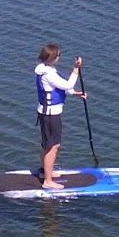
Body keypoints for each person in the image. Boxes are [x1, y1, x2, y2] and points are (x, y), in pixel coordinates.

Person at [34, 43, 85, 189]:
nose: (60, 57)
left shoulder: (46, 69)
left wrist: (76, 93)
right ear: (52, 58)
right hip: (51, 114)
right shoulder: (49, 74)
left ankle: (45, 172)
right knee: (53, 146)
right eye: (59, 55)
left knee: (46, 144)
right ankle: (48, 182)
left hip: (45, 112)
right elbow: (67, 85)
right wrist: (76, 69)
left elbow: (59, 87)